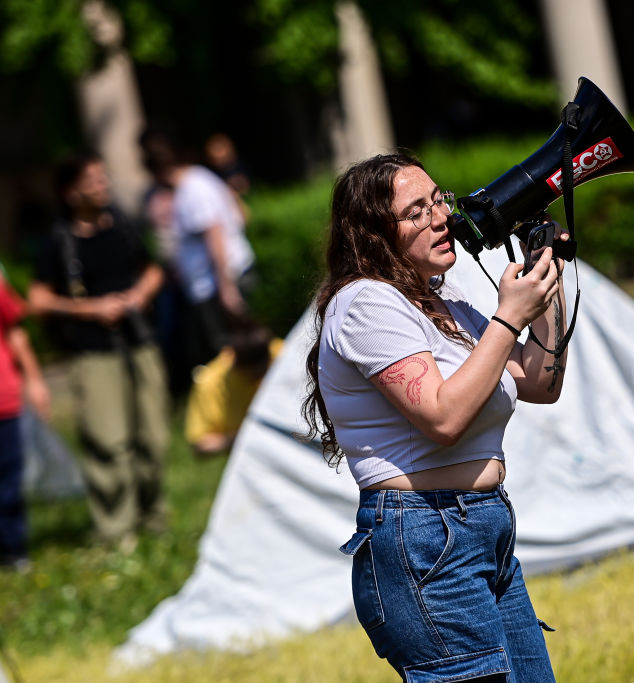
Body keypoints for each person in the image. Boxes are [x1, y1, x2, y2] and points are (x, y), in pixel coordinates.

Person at [302, 153, 568, 681]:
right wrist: (508, 317)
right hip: (424, 537)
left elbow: (541, 383)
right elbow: (444, 419)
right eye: (415, 211)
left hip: (482, 525)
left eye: (438, 199)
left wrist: (548, 282)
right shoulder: (364, 304)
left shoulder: (443, 302)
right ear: (375, 235)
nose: (440, 216)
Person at [30, 152, 170, 548]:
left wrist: (139, 295)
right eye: (92, 180)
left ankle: (154, 516)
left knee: (153, 437)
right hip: (92, 352)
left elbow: (153, 268)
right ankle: (116, 531)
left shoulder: (122, 226)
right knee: (109, 441)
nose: (102, 184)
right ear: (70, 191)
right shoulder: (58, 241)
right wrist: (91, 309)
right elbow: (37, 301)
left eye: (102, 177)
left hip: (138, 343)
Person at [139, 129, 256, 368]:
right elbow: (240, 218)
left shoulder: (193, 188)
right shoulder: (199, 180)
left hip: (219, 286)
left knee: (235, 357)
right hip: (215, 285)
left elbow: (215, 236)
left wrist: (226, 288)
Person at [0, 265, 50, 571]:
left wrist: (35, 379)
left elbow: (16, 332)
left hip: (4, 399)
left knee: (9, 480)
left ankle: (13, 548)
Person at [184, 320, 282, 456]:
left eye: (264, 371)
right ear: (235, 362)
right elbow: (200, 445)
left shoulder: (283, 355)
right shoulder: (209, 382)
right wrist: (247, 435)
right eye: (253, 374)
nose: (259, 377)